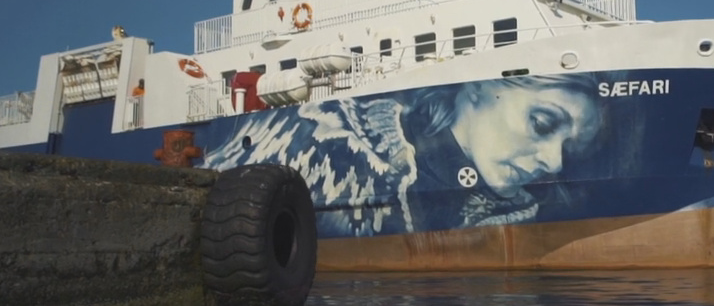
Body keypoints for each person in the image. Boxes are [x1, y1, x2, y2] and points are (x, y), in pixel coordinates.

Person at [201, 73, 615, 237]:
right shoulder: (332, 136)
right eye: (543, 124)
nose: (556, 163)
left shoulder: (519, 209)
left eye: (571, 148)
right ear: (477, 87)